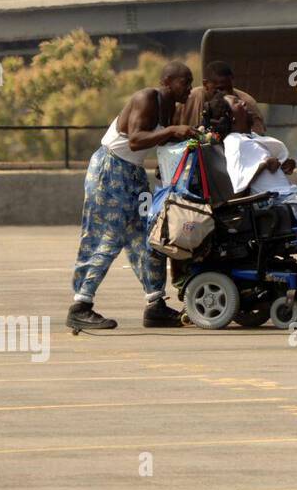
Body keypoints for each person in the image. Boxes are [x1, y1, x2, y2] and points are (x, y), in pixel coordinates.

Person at [66, 61, 198, 330]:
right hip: (111, 168)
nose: (189, 87)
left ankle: (155, 305)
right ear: (167, 81)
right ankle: (80, 305)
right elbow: (137, 139)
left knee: (149, 236)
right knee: (108, 236)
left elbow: (158, 139)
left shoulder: (169, 106)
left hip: (133, 173)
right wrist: (173, 131)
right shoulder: (146, 98)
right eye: (185, 81)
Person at [205, 94, 297, 282]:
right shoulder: (234, 142)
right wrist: (263, 165)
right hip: (270, 203)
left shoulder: (248, 138)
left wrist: (281, 166)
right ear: (232, 117)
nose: (244, 102)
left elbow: (260, 167)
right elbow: (239, 183)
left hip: (282, 196)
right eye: (237, 103)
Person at [178, 60, 266, 134]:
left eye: (229, 89)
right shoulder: (189, 98)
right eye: (219, 89)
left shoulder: (245, 103)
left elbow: (257, 136)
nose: (225, 94)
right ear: (205, 84)